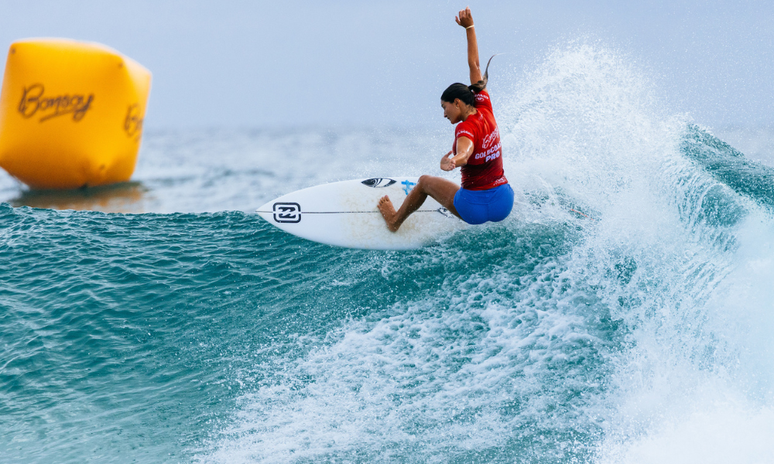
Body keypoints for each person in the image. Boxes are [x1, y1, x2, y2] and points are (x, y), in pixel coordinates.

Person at [377, 6, 514, 232]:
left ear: (457, 103)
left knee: (424, 182)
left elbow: (466, 151)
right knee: (497, 182)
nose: (444, 114)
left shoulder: (465, 129)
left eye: (445, 107)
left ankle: (394, 221)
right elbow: (475, 65)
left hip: (473, 209)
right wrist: (469, 27)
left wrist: (453, 161)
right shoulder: (485, 105)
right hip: (503, 203)